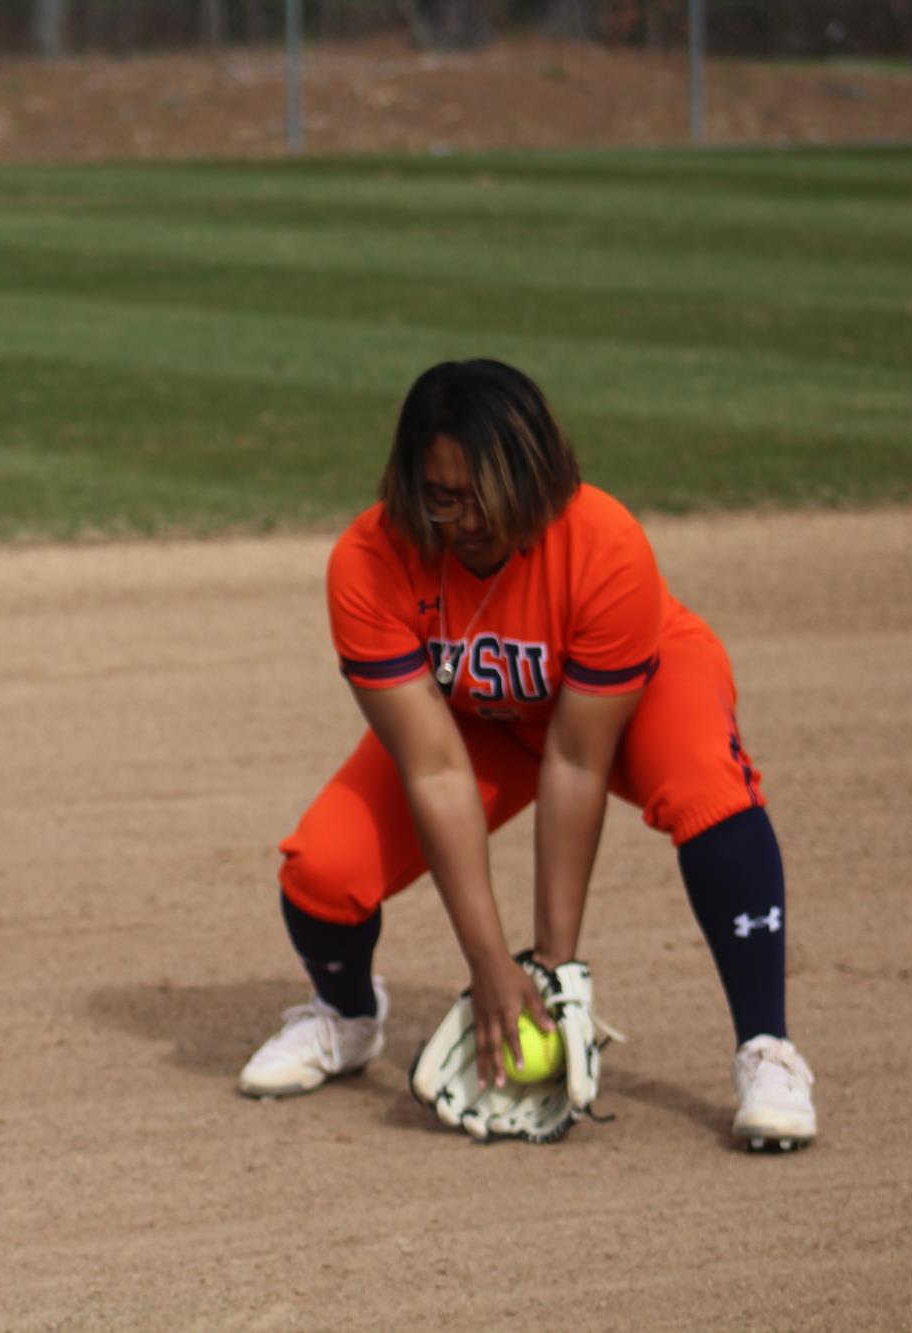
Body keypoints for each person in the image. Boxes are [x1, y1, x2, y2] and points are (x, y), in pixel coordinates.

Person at [236, 358, 817, 1151]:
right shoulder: (369, 564)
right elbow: (435, 767)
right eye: (442, 497)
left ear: (537, 473)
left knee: (706, 791)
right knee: (322, 869)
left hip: (632, 693)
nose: (467, 518)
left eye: (486, 495)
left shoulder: (604, 543)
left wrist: (551, 969)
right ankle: (347, 1018)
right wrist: (486, 961)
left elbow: (577, 761)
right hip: (478, 724)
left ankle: (768, 1049)